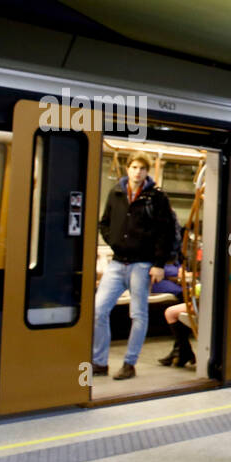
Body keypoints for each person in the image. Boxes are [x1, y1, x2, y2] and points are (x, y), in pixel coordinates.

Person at [92, 153, 176, 381]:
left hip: (142, 264)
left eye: (142, 168)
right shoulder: (116, 193)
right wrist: (115, 241)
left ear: (147, 172)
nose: (137, 172)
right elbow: (104, 223)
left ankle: (129, 363)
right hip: (117, 263)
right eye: (134, 167)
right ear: (127, 169)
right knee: (98, 310)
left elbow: (165, 232)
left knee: (138, 314)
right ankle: (99, 362)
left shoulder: (156, 198)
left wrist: (159, 264)